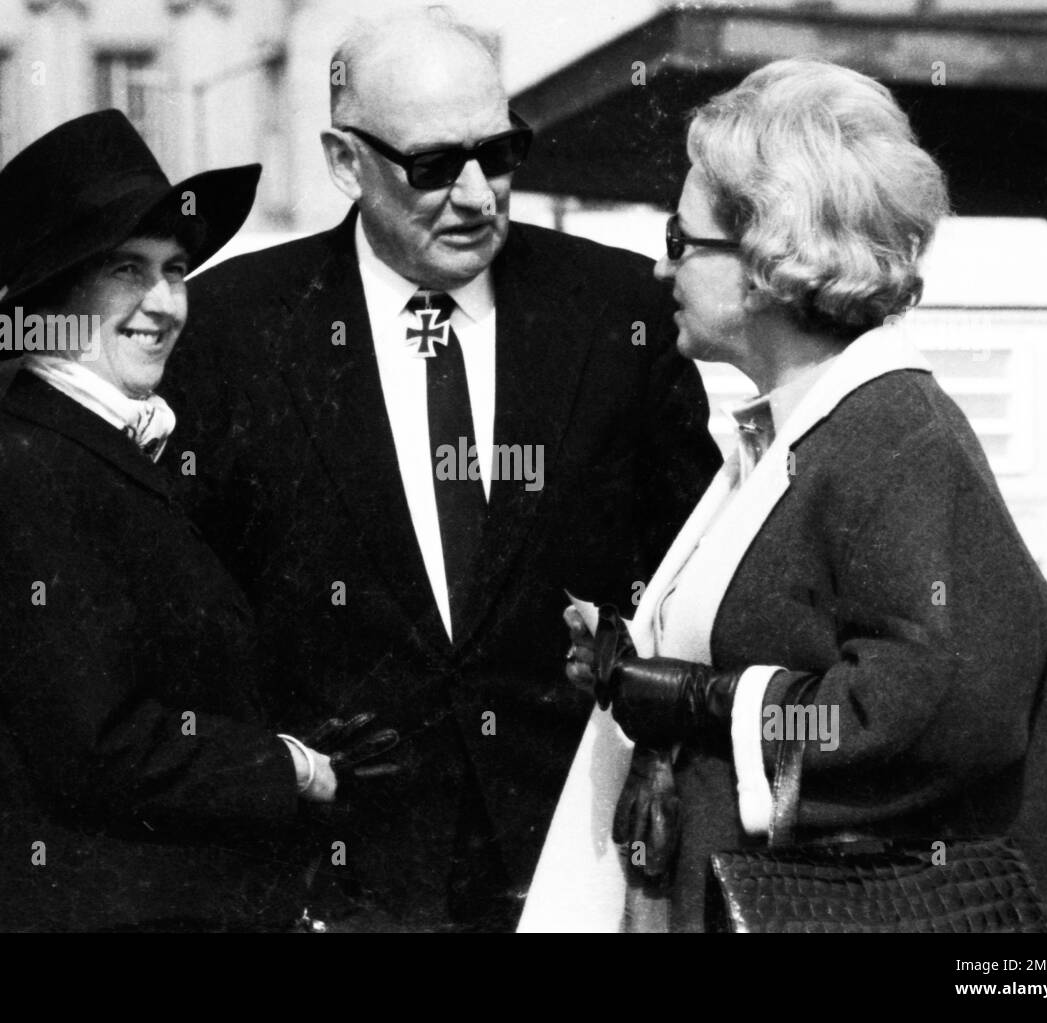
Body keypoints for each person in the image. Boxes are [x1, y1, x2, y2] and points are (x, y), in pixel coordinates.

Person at [162, 9, 721, 932]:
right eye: (430, 166)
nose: (475, 195)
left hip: (573, 861)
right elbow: (186, 622)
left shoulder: (617, 311)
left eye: (497, 155)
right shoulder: (233, 329)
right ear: (344, 162)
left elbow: (697, 575)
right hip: (333, 876)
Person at [559, 57, 1047, 932]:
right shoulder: (800, 431)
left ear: (766, 263)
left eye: (681, 242)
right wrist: (636, 663)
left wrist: (707, 701)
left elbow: (944, 704)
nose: (661, 268)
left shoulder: (895, 434)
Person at [0, 110, 395, 932]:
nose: (164, 303)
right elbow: (98, 747)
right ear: (52, 298)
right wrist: (289, 767)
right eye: (125, 270)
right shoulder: (27, 474)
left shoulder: (100, 452)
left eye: (175, 269)